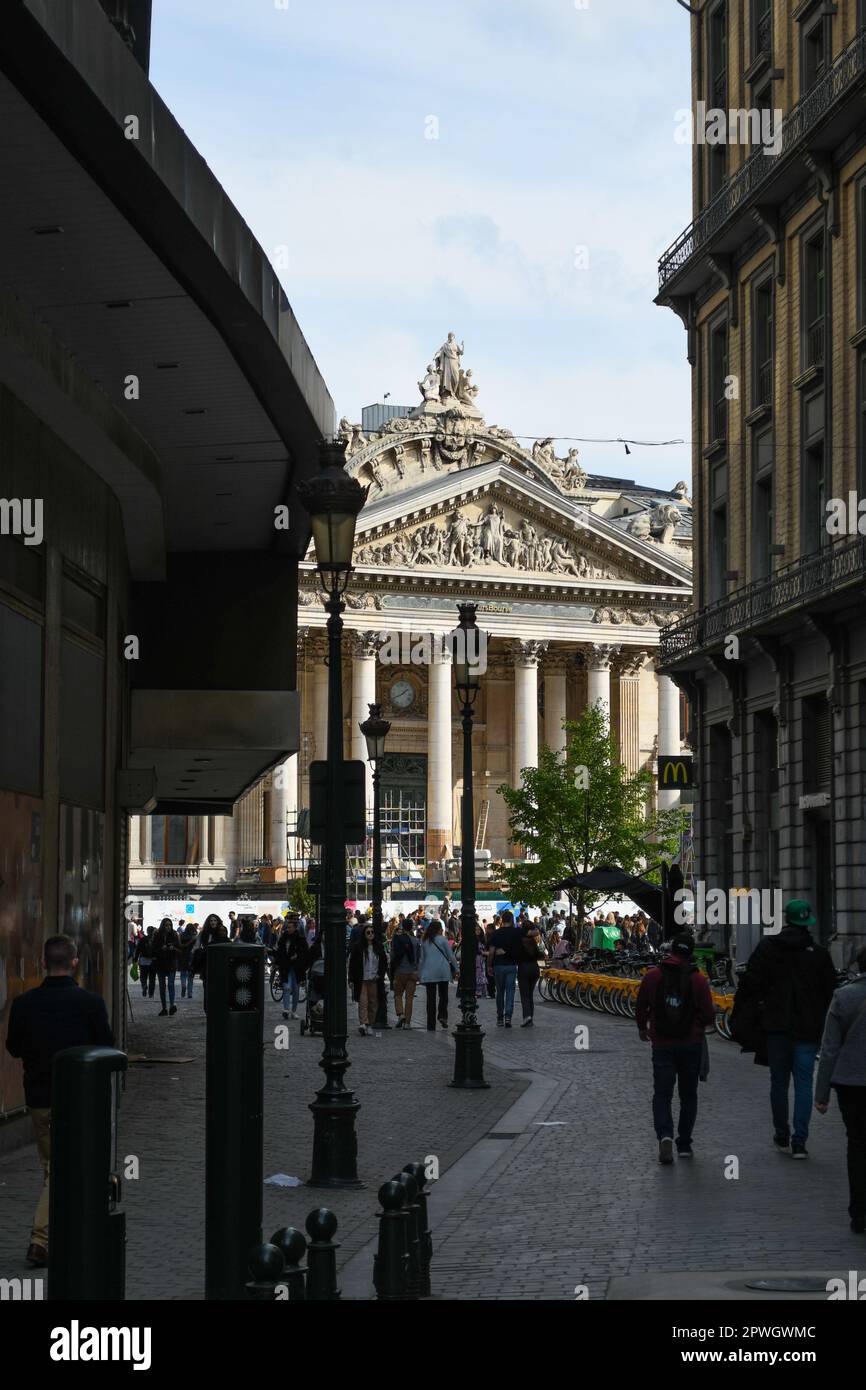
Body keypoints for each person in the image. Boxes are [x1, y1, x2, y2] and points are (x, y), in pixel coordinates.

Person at [5, 934, 113, 1268]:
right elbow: (106, 1046)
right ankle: (41, 1240)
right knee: (61, 1171)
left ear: (42, 964)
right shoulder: (90, 1004)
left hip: (39, 1100)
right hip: (81, 1100)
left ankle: (62, 1237)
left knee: (54, 1168)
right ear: (75, 964)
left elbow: (14, 1047)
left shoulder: (24, 1004)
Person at [736, 899, 836, 1158]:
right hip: (808, 1029)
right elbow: (829, 993)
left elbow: (750, 984)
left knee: (778, 1083)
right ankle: (800, 1142)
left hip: (776, 1027)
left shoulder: (768, 948)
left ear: (787, 919)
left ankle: (781, 1134)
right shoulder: (819, 954)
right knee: (804, 1084)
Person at [635, 932, 715, 1164]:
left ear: (670, 951)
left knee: (662, 1093)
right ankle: (685, 1143)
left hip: (662, 1044)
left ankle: (665, 1135)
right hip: (691, 1044)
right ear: (691, 953)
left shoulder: (653, 976)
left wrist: (643, 1028)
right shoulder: (698, 980)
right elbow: (709, 1014)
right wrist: (698, 1025)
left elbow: (641, 1006)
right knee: (689, 1095)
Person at [815, 946, 866, 1232]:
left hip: (851, 1083)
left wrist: (821, 1094)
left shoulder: (844, 996)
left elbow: (830, 1049)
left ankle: (859, 1211)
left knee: (857, 1144)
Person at [349, 925, 388, 1036]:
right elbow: (352, 964)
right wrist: (351, 978)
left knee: (373, 1003)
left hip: (374, 979)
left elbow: (384, 963)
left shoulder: (378, 947)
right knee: (363, 1002)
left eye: (372, 932)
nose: (370, 934)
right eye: (368, 932)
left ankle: (370, 1024)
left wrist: (380, 974)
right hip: (362, 979)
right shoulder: (358, 947)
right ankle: (363, 1023)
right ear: (364, 934)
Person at [420, 920, 457, 1030]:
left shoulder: (425, 941)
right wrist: (456, 968)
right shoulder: (443, 940)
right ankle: (442, 1015)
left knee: (430, 998)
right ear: (439, 929)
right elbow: (451, 956)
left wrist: (420, 972)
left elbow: (422, 959)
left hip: (429, 971)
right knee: (443, 995)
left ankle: (430, 1024)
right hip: (442, 970)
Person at [490, 909, 524, 1028]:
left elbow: (491, 951)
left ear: (502, 920)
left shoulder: (496, 933)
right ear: (511, 920)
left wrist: (489, 965)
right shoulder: (516, 932)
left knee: (500, 992)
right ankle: (508, 1017)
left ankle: (500, 1018)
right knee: (510, 992)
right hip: (511, 965)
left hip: (498, 965)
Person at [274, 916, 309, 1021]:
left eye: (290, 927)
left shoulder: (300, 939)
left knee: (296, 989)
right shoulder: (283, 939)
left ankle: (293, 1011)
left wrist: (297, 956)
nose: (288, 929)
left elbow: (305, 952)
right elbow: (279, 952)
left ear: (295, 928)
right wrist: (276, 961)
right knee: (287, 987)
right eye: (287, 927)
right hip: (286, 967)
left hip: (297, 968)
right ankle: (286, 1010)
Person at [390, 918, 421, 1029]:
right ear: (412, 927)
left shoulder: (397, 939)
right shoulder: (416, 940)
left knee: (398, 995)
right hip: (412, 972)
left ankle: (400, 1014)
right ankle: (407, 1023)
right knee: (409, 998)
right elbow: (419, 958)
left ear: (402, 926)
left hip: (399, 971)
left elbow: (393, 955)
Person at [517, 923, 545, 1027]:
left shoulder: (520, 942)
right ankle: (530, 1018)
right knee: (530, 994)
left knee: (524, 995)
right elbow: (540, 955)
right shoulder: (533, 942)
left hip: (524, 968)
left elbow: (516, 956)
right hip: (534, 968)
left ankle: (527, 1017)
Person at [153, 917, 181, 1016]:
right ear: (162, 925)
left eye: (169, 925)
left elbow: (179, 950)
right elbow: (154, 950)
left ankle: (172, 1005)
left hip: (171, 964)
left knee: (170, 984)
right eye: (166, 925)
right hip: (160, 964)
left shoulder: (174, 935)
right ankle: (164, 1008)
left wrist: (173, 948)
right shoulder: (157, 935)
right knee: (162, 986)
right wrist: (162, 949)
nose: (168, 927)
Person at [134, 925, 156, 999]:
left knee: (143, 976)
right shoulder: (155, 940)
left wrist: (135, 959)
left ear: (147, 931)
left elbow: (138, 950)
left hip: (143, 961)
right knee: (152, 978)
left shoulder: (143, 939)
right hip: (152, 961)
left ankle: (144, 985)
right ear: (153, 932)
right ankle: (151, 994)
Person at [178, 921, 198, 999]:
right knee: (190, 977)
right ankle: (190, 993)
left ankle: (183, 986)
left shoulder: (181, 935)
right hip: (192, 957)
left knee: (183, 975)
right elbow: (197, 947)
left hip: (183, 957)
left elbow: (180, 946)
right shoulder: (194, 937)